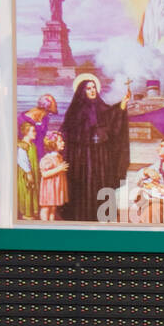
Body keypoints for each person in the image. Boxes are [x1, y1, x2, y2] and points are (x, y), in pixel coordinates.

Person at [60, 74, 131, 222]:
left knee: (101, 182)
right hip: (82, 157)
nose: (92, 91)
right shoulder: (75, 111)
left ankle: (104, 216)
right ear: (82, 91)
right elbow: (68, 132)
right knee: (83, 185)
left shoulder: (102, 107)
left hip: (101, 155)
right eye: (88, 88)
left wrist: (123, 104)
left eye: (93, 88)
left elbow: (113, 121)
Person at [37, 130, 68, 221]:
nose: (63, 143)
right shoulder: (47, 158)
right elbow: (44, 174)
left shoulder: (59, 157)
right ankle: (44, 227)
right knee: (46, 208)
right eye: (60, 141)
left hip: (56, 188)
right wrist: (59, 169)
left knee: (53, 208)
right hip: (49, 189)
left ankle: (51, 224)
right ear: (52, 144)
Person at [18, 93, 57, 161]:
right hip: (29, 155)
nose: (48, 115)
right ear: (43, 110)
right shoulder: (22, 120)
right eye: (48, 112)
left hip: (40, 153)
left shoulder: (44, 118)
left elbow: (42, 135)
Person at [15, 120, 39, 221]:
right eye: (33, 131)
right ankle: (27, 214)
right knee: (27, 192)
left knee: (33, 191)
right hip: (26, 174)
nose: (35, 133)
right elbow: (22, 161)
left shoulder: (32, 145)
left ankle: (32, 213)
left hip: (32, 172)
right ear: (26, 132)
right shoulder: (23, 146)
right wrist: (29, 173)